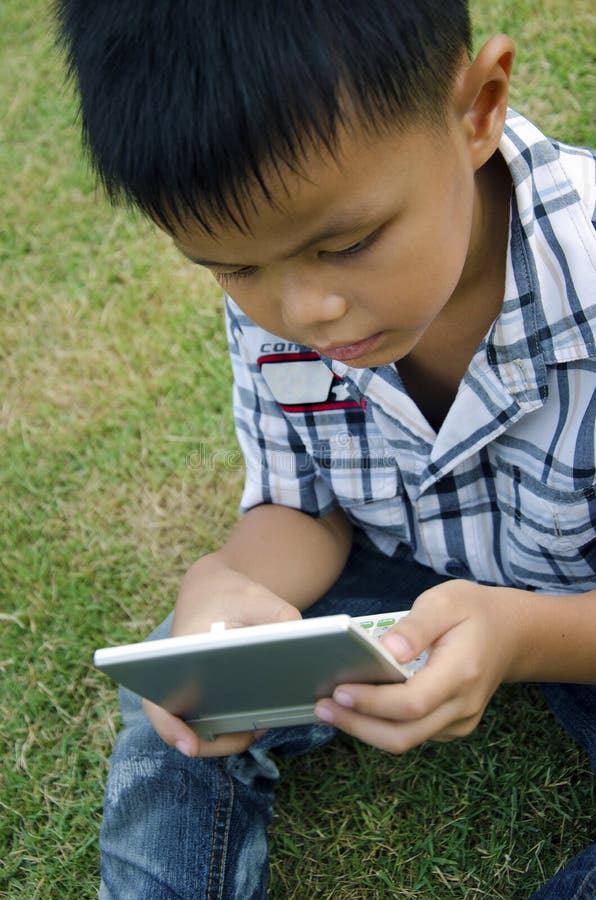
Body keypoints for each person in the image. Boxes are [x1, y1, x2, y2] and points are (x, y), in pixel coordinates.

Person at [55, 1, 595, 896]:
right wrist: (233, 584)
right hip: (405, 575)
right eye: (233, 268)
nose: (301, 312)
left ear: (479, 108)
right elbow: (303, 504)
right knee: (179, 692)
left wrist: (521, 636)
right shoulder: (279, 297)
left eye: (345, 244)